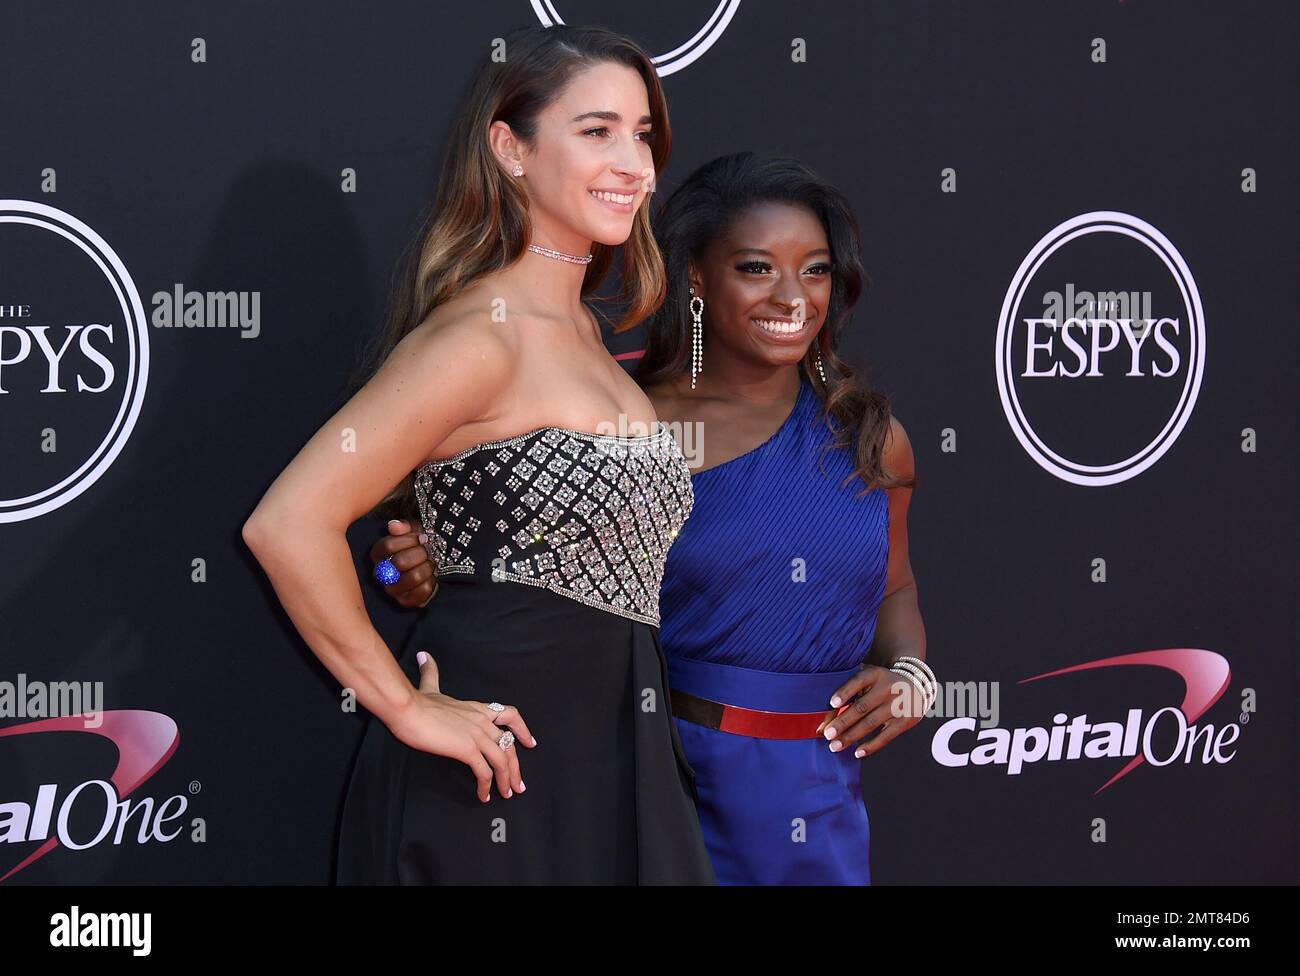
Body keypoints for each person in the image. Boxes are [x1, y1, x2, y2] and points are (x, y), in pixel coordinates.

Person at [369, 152, 931, 884]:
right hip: (654, 774)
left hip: (813, 797)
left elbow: (896, 589)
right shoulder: (627, 424)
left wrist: (913, 674)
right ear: (696, 276)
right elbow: (503, 579)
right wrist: (407, 572)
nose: (793, 296)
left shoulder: (871, 437)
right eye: (757, 268)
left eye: (816, 270)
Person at [242, 24, 714, 884]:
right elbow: (289, 523)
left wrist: (402, 569)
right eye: (596, 130)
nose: (634, 162)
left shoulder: (583, 330)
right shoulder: (479, 338)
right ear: (509, 147)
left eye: (643, 134)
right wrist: (401, 707)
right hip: (499, 774)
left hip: (612, 754)